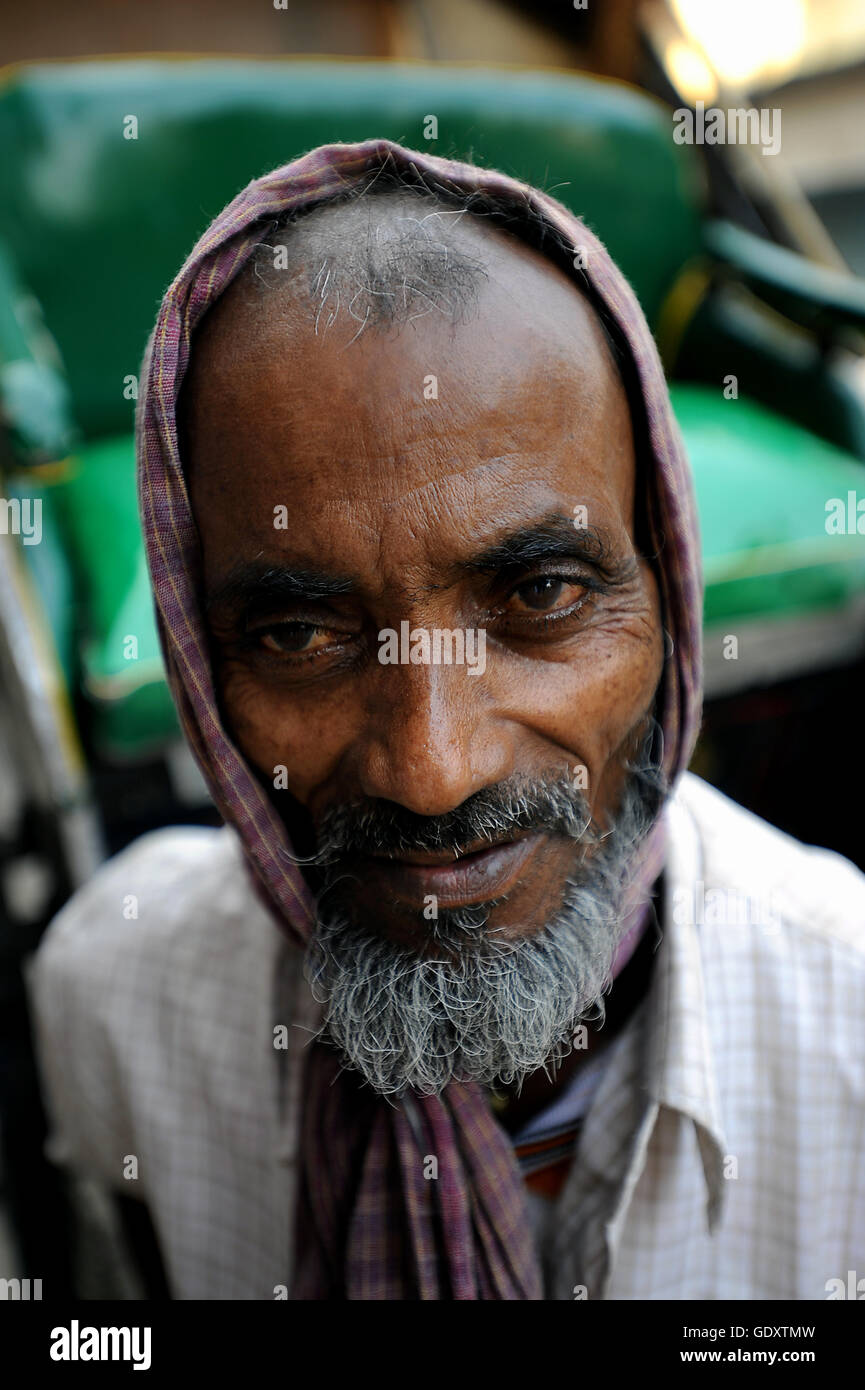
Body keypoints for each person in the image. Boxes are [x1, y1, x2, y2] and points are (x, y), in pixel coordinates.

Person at [28, 140, 865, 1300]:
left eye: (540, 597)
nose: (431, 768)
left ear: (667, 598)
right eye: (299, 637)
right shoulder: (114, 1002)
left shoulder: (848, 1021)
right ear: (198, 670)